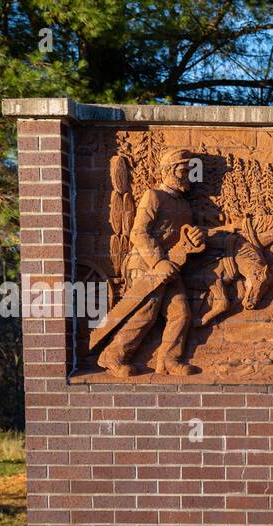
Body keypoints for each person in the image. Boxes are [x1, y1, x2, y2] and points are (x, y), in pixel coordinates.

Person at [98, 148, 206, 377]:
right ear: (170, 171)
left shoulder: (185, 206)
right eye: (184, 170)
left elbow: (182, 237)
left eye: (189, 171)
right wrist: (158, 262)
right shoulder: (154, 196)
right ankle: (113, 357)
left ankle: (168, 361)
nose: (188, 176)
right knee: (146, 313)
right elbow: (138, 233)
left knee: (181, 313)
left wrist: (196, 238)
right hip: (145, 263)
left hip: (171, 266)